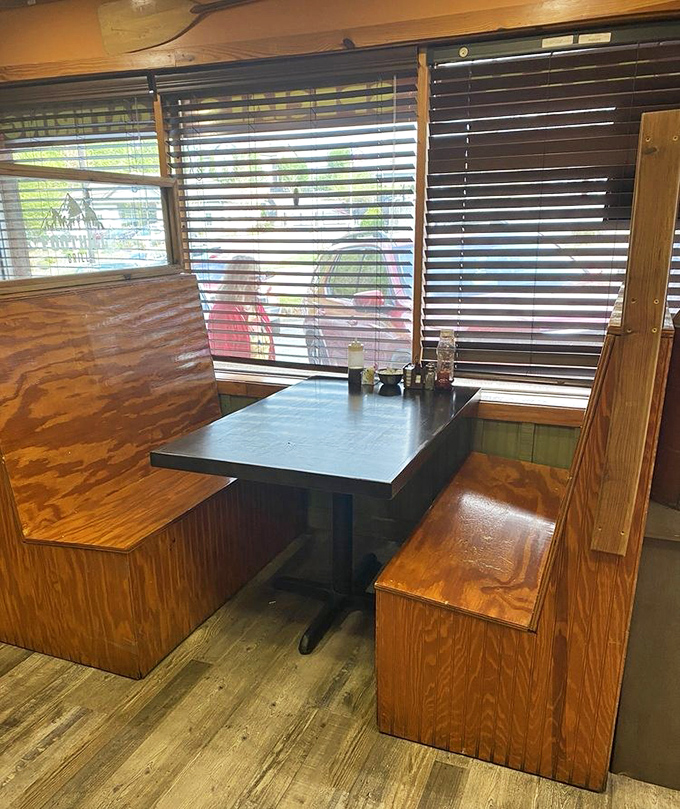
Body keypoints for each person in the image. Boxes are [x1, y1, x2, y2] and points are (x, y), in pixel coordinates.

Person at [205, 254, 275, 361]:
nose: (260, 282)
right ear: (241, 280)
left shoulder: (257, 306)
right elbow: (223, 358)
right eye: (255, 277)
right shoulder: (222, 313)